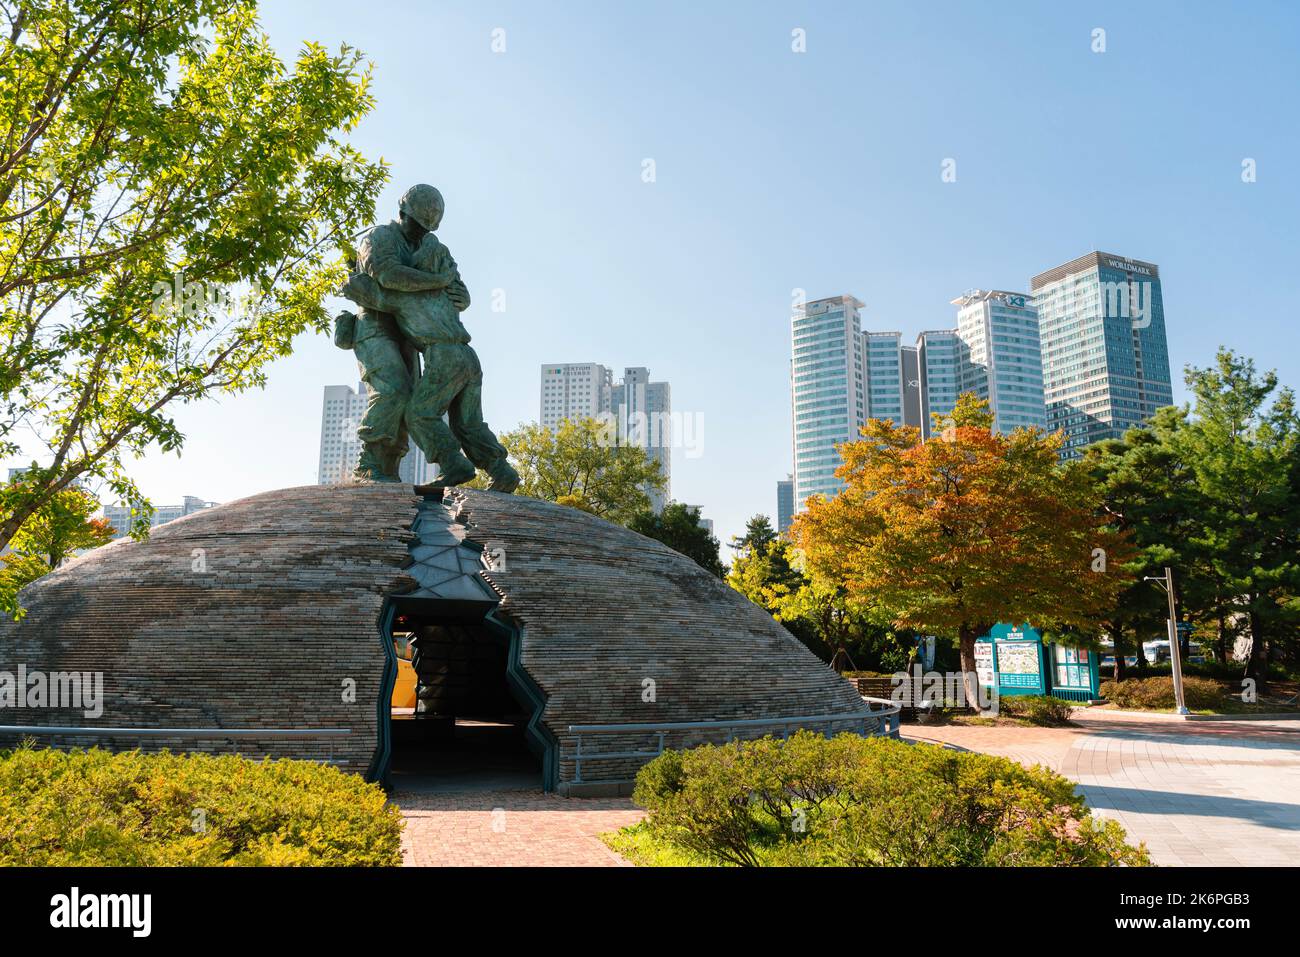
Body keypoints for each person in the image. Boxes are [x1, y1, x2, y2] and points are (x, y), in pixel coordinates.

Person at [337, 184, 519, 492]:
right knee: (394, 392)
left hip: (420, 339)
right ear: (402, 214)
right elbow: (387, 278)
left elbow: (458, 294)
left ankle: (463, 465)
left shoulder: (433, 249)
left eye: (427, 228)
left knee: (421, 410)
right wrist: (437, 282)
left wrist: (454, 290)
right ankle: (372, 465)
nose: (421, 233)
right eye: (418, 225)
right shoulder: (380, 237)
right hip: (379, 326)